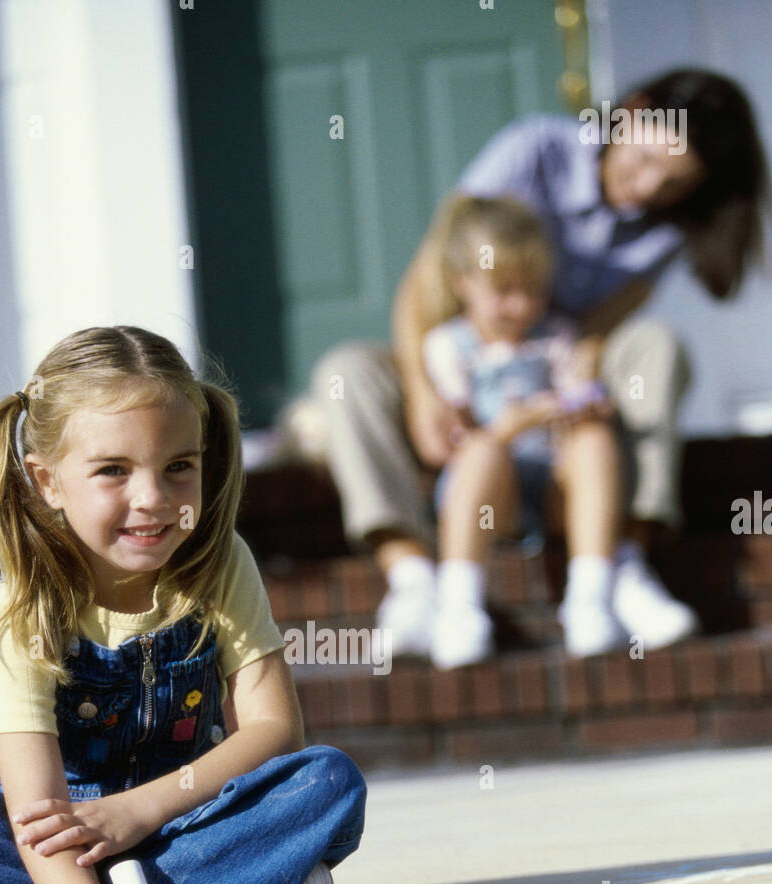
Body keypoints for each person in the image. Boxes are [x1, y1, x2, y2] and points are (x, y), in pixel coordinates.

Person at [0, 326, 366, 884]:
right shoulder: (18, 610)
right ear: (47, 481)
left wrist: (136, 810)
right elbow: (34, 818)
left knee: (324, 781)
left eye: (178, 466)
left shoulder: (218, 564)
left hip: (175, 821)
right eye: (112, 471)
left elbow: (274, 728)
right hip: (43, 843)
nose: (152, 499)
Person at [306, 67, 769, 657]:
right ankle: (414, 578)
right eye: (645, 162)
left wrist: (579, 370)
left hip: (554, 390)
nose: (650, 189)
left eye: (674, 184)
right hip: (459, 362)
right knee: (346, 373)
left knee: (656, 346)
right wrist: (425, 395)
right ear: (629, 112)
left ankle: (623, 559)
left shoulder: (668, 229)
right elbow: (426, 280)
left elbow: (605, 326)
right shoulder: (534, 151)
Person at [421, 194, 625, 667]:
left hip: (553, 491)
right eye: (505, 289)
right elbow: (458, 435)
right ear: (462, 283)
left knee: (593, 440)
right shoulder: (449, 346)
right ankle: (459, 608)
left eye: (532, 290)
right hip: (491, 498)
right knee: (484, 449)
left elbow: (575, 391)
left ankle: (591, 599)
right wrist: (510, 427)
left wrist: (585, 404)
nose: (521, 305)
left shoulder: (554, 338)